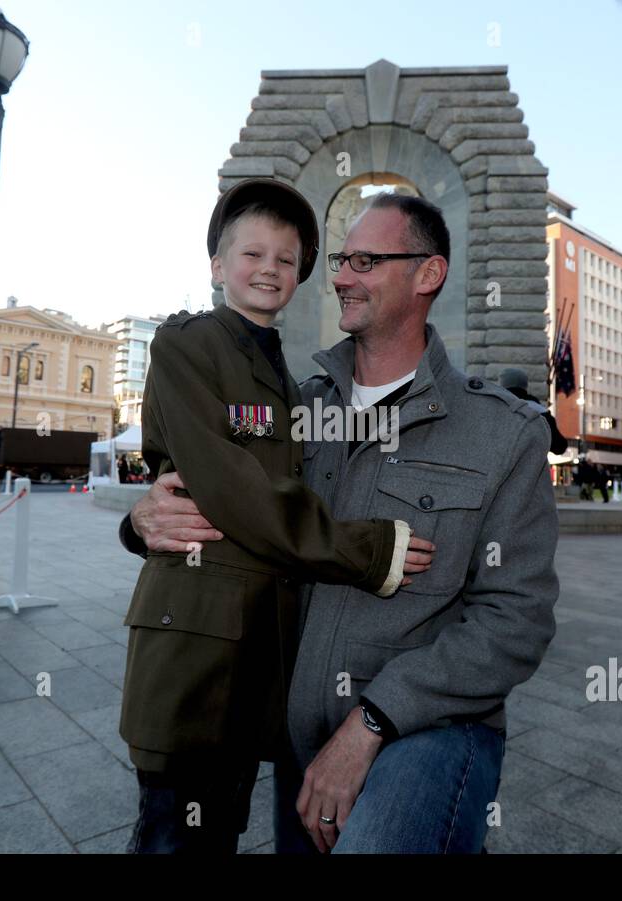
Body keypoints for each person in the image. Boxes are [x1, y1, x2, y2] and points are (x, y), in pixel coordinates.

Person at [127, 193, 559, 854]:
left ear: (427, 274)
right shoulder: (294, 411)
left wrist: (373, 721)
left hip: (428, 728)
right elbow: (235, 500)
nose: (339, 276)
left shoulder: (503, 431)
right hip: (296, 734)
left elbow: (515, 621)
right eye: (339, 260)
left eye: (364, 260)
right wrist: (141, 521)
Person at [116, 178, 436, 855]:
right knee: (175, 837)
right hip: (193, 653)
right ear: (215, 267)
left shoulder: (283, 376)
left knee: (217, 834)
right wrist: (366, 551)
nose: (268, 269)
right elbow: (234, 488)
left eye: (286, 261)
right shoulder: (188, 344)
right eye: (251, 254)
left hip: (253, 657)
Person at [498, 367, 568, 456]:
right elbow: (559, 447)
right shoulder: (541, 412)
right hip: (531, 467)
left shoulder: (492, 408)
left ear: (502, 385)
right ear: (525, 386)